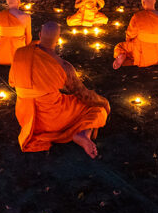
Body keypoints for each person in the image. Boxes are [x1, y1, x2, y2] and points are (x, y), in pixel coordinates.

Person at [8, 22, 110, 157]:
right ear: (58, 39)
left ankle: (80, 135)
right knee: (97, 108)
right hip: (54, 118)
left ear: (39, 35)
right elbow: (84, 95)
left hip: (26, 118)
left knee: (59, 97)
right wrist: (103, 101)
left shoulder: (20, 53)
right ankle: (82, 134)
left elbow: (13, 82)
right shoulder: (64, 66)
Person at [112, 0, 158, 69]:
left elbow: (130, 34)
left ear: (143, 3)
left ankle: (121, 55)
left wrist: (129, 42)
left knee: (120, 46)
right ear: (155, 1)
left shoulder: (137, 16)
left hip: (141, 52)